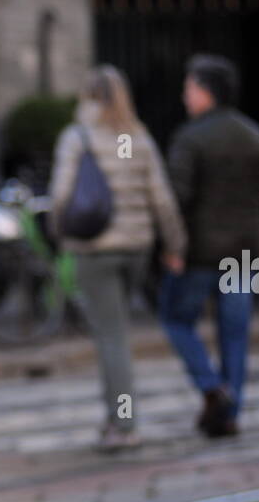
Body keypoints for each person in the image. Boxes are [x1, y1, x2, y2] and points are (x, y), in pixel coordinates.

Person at [49, 64, 187, 450]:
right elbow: (161, 199)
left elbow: (60, 196)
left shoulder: (77, 137)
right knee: (117, 330)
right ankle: (116, 418)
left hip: (95, 249)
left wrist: (59, 237)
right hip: (137, 248)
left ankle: (124, 426)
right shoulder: (139, 137)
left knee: (112, 337)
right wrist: (175, 246)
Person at [159, 54, 259, 437]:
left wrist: (171, 247)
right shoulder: (251, 134)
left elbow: (176, 199)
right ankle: (230, 407)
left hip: (201, 254)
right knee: (235, 331)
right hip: (243, 255)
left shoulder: (191, 137)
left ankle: (209, 386)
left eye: (189, 88)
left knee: (176, 319)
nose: (185, 97)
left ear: (205, 92)